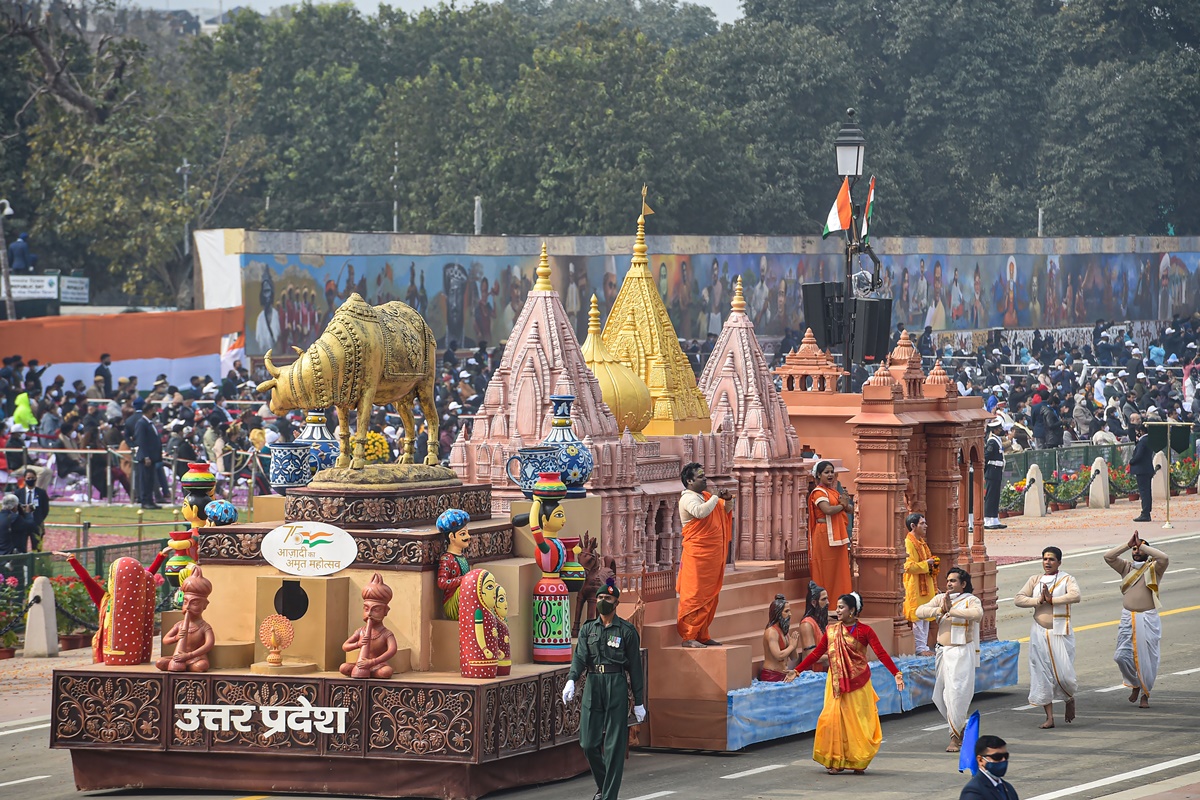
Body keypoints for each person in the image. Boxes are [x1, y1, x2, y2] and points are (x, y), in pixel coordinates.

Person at [795, 592, 904, 774]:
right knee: (832, 719)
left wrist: (896, 673)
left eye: (841, 607)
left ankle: (857, 759)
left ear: (852, 610)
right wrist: (797, 670)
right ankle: (836, 760)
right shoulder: (831, 631)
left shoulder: (865, 631)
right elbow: (816, 654)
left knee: (858, 722)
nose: (837, 610)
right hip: (837, 682)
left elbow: (882, 653)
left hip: (859, 683)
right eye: (837, 607)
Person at [563, 579, 645, 800]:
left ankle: (608, 797)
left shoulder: (626, 631)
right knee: (588, 743)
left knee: (614, 746)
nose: (602, 602)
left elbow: (635, 669)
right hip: (593, 683)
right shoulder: (589, 629)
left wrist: (639, 701)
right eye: (599, 598)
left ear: (616, 603)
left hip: (616, 683)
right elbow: (580, 657)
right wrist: (571, 679)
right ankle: (604, 784)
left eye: (607, 598)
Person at [917, 567, 983, 752]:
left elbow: (977, 614)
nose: (949, 584)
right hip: (943, 652)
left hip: (961, 653)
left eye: (953, 581)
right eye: (948, 580)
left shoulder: (971, 600)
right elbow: (919, 611)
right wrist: (940, 609)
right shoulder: (940, 599)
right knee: (941, 696)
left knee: (957, 695)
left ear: (963, 584)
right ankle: (959, 727)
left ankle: (954, 738)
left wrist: (952, 611)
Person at [1014, 547, 1080, 728]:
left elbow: (1076, 596)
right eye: (1045, 559)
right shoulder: (1035, 580)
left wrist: (1052, 600)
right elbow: (1018, 599)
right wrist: (1039, 601)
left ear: (1059, 562)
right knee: (1041, 674)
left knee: (1064, 676)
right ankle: (1049, 718)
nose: (1047, 562)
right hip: (1038, 632)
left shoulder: (1067, 579)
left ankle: (1068, 698)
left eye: (1051, 559)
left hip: (1060, 632)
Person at [1105, 533, 1168, 707]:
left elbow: (1164, 557)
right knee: (1121, 657)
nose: (1137, 551)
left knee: (1148, 659)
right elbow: (1108, 557)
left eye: (1140, 549)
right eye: (1134, 549)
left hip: (1148, 618)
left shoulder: (1154, 568)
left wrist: (1142, 545)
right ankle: (1135, 683)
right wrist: (1128, 544)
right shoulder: (1126, 567)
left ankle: (1145, 695)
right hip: (1128, 617)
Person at [675, 461, 733, 648]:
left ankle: (702, 634)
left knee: (709, 596)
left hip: (712, 558)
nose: (705, 478)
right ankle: (689, 636)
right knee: (695, 595)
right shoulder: (687, 499)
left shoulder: (705, 496)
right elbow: (700, 513)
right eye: (700, 476)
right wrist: (715, 498)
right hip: (697, 556)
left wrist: (728, 498)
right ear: (690, 481)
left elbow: (725, 510)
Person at [807, 460, 853, 601]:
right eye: (826, 472)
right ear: (819, 475)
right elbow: (827, 510)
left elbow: (849, 509)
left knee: (840, 570)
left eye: (832, 472)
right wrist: (842, 505)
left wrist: (845, 504)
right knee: (826, 571)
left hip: (838, 535)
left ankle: (840, 604)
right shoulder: (818, 493)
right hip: (824, 534)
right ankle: (827, 604)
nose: (830, 474)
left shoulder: (833, 491)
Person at [902, 512, 939, 656]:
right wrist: (927, 563)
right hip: (915, 585)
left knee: (926, 615)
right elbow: (908, 566)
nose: (926, 526)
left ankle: (923, 646)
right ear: (913, 526)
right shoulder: (908, 543)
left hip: (926, 584)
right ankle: (920, 648)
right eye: (922, 523)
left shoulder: (922, 543)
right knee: (918, 617)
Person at [435, 508, 472, 620]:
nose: (468, 537)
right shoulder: (447, 559)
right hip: (452, 603)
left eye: (467, 533)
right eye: (463, 534)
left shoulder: (462, 557)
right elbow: (441, 583)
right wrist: (464, 579)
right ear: (452, 537)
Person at [960, 735, 1018, 800]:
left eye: (1006, 756)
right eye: (997, 757)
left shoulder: (1007, 788)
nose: (1003, 760)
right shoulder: (973, 792)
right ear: (980, 760)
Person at [759, 593, 801, 682]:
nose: (790, 614)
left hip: (784, 675)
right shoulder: (772, 632)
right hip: (771, 676)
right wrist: (791, 646)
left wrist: (794, 645)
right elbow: (778, 655)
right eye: (786, 611)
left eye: (789, 611)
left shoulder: (784, 632)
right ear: (777, 613)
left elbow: (794, 658)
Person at [133, 401, 163, 509]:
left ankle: (150, 500)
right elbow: (141, 441)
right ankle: (145, 501)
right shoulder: (141, 423)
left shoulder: (149, 423)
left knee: (150, 480)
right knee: (145, 480)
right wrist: (146, 456)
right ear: (149, 410)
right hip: (146, 457)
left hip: (152, 457)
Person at [796, 580, 829, 672]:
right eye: (824, 599)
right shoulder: (807, 624)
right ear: (814, 603)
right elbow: (812, 656)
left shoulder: (821, 623)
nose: (828, 602)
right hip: (811, 674)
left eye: (827, 599)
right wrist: (835, 656)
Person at [1128, 419, 1155, 522]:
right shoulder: (1149, 439)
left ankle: (1145, 513)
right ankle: (1147, 511)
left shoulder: (1143, 441)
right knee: (1147, 491)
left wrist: (1131, 461)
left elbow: (1138, 455)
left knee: (1144, 492)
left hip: (1142, 470)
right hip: (1147, 468)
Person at [983, 419, 1006, 529]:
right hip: (992, 470)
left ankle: (994, 518)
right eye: (999, 429)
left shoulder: (997, 440)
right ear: (995, 430)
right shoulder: (992, 441)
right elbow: (986, 456)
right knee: (991, 496)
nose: (1001, 430)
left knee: (995, 495)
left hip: (997, 470)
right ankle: (988, 519)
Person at [19, 469, 49, 551]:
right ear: (24, 478)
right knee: (21, 547)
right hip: (22, 524)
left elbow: (45, 509)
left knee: (37, 548)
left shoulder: (41, 493)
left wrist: (39, 520)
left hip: (36, 524)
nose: (30, 480)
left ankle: (37, 562)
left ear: (36, 478)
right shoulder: (18, 493)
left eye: (32, 478)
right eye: (28, 478)